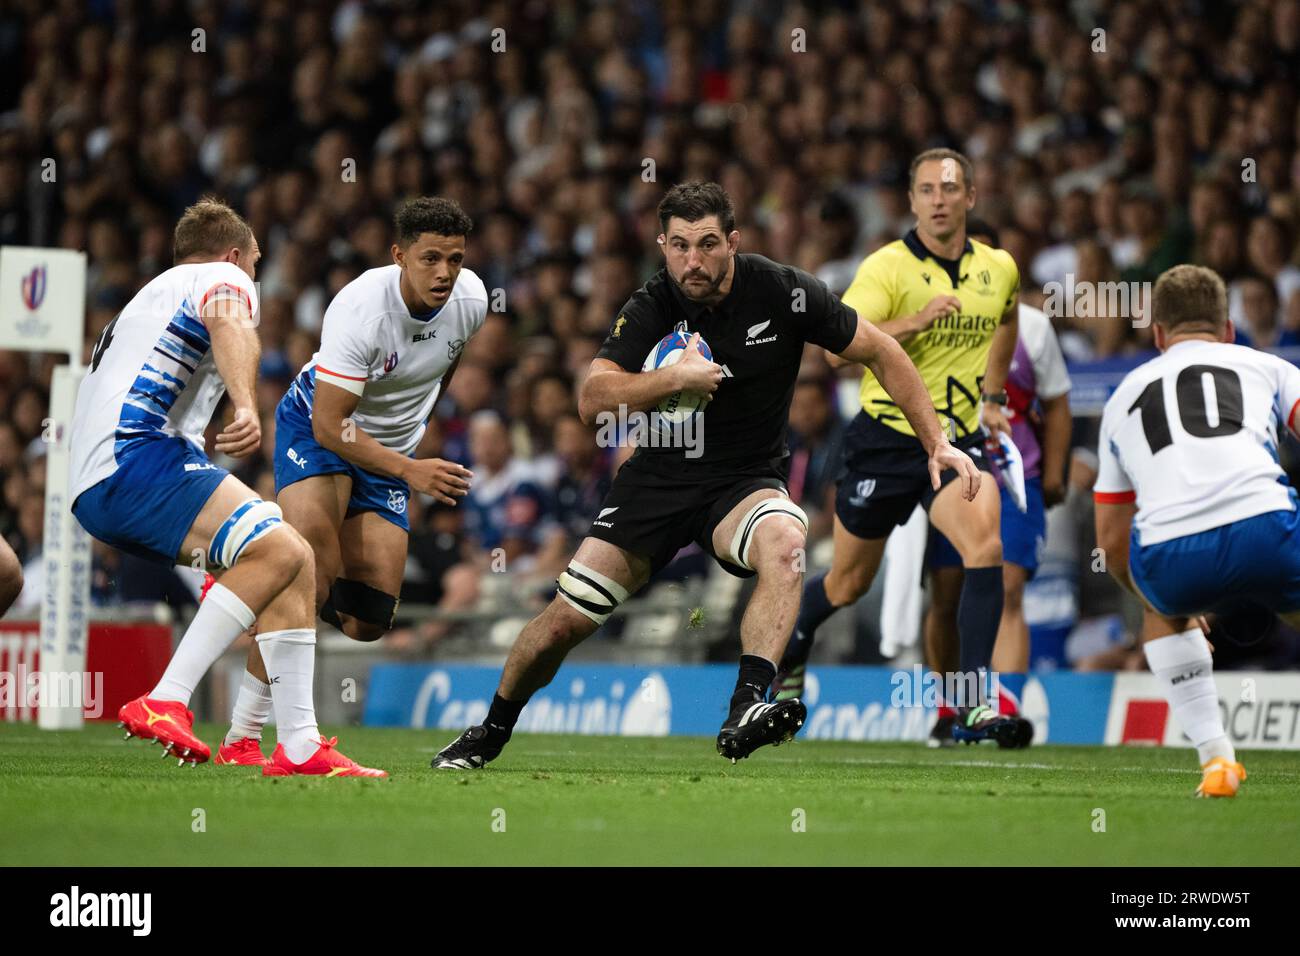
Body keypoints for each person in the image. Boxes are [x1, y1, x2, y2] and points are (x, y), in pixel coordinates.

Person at [432, 181, 978, 769]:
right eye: (680, 246)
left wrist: (936, 444)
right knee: (565, 622)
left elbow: (881, 352)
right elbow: (592, 400)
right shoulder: (651, 304)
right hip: (656, 482)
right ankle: (489, 730)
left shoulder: (785, 290)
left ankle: (747, 703)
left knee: (787, 541)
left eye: (709, 244)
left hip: (743, 482)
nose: (693, 261)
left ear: (733, 243)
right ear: (663, 246)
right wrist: (674, 379)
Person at [69, 197, 383, 776]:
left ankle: (289, 743)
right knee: (282, 548)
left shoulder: (153, 297)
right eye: (256, 264)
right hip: (134, 458)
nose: (254, 278)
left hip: (110, 477)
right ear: (235, 254)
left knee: (295, 561)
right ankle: (167, 697)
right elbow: (230, 320)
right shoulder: (220, 277)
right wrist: (245, 404)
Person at [214, 196, 486, 766]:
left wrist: (408, 441)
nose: (444, 273)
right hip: (320, 428)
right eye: (430, 258)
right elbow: (331, 426)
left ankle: (255, 581)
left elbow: (443, 364)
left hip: (386, 451)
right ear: (399, 255)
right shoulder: (362, 308)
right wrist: (412, 469)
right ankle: (244, 735)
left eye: (454, 259)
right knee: (308, 565)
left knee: (367, 621)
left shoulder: (473, 300)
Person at [773, 149, 1030, 747]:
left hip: (956, 442)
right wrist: (913, 322)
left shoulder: (1000, 268)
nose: (938, 199)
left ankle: (971, 706)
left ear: (970, 197)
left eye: (949, 188)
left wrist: (993, 397)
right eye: (925, 190)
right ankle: (793, 648)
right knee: (847, 583)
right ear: (912, 202)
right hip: (886, 438)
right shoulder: (885, 268)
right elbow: (838, 353)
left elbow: (1008, 320)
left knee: (984, 549)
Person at [1094, 263, 1300, 797]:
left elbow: (1112, 543)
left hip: (1171, 552)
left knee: (1159, 605)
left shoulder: (1121, 398)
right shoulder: (1268, 366)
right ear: (1228, 328)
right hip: (1268, 527)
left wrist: (1160, 599)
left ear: (1158, 335)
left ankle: (1217, 762)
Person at [924, 218, 1073, 744]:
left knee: (1008, 587)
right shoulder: (931, 318)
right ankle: (952, 708)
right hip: (941, 473)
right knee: (946, 595)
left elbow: (1056, 402)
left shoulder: (1031, 325)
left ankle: (1001, 703)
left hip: (1014, 473)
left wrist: (1054, 472)